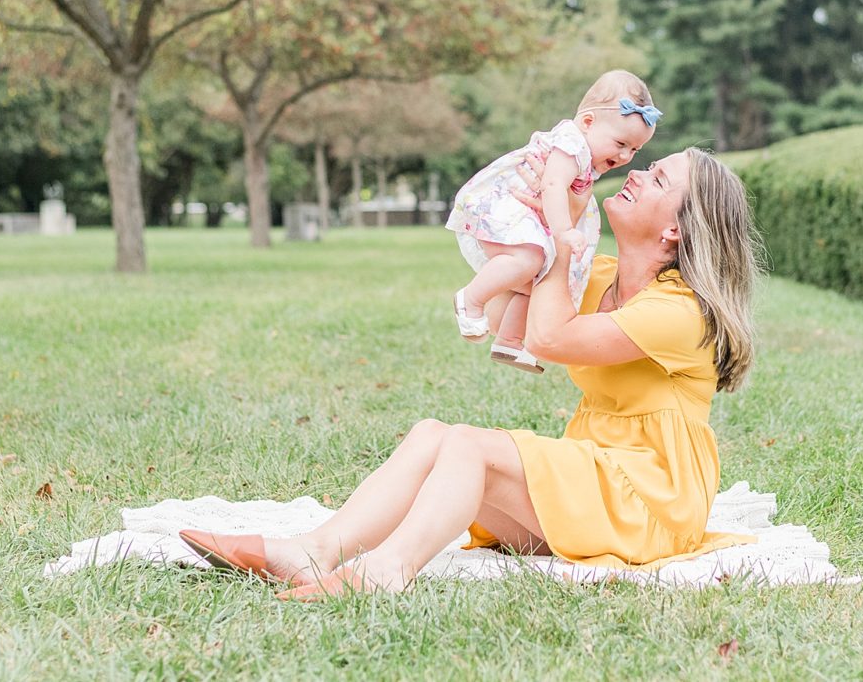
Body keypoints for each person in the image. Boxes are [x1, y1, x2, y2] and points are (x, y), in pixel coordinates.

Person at [179, 147, 763, 598]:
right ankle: (312, 551)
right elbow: (515, 304)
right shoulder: (601, 274)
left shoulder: (680, 311)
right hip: (596, 482)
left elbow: (550, 339)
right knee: (433, 435)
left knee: (470, 447)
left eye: (657, 179)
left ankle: (386, 571)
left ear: (675, 230)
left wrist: (560, 245)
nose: (636, 174)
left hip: (651, 503)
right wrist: (540, 213)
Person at [445, 69, 660, 373]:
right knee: (530, 259)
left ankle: (510, 341)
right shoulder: (571, 144)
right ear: (588, 122)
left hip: (532, 215)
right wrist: (564, 231)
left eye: (634, 149)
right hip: (509, 205)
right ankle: (470, 300)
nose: (626, 156)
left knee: (537, 280)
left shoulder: (585, 154)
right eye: (620, 143)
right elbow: (552, 185)